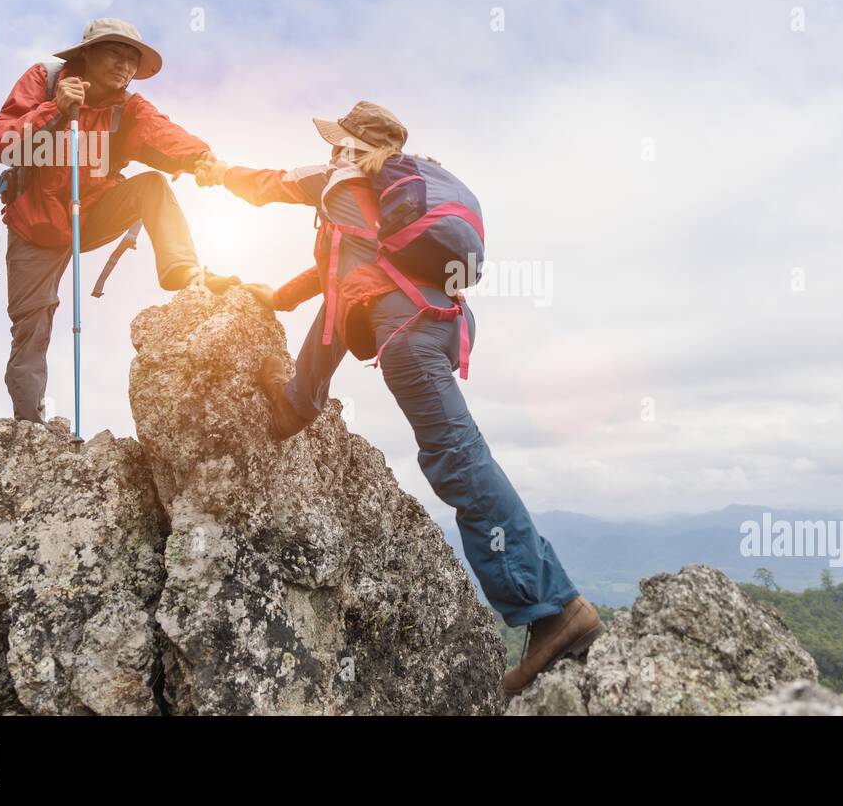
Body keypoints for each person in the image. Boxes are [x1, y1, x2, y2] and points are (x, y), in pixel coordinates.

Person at [194, 101, 603, 695]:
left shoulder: (341, 177)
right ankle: (297, 402)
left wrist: (212, 169)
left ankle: (552, 610)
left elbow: (266, 186)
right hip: (435, 320)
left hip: (407, 333)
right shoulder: (388, 196)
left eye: (338, 143)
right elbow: (342, 273)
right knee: (460, 456)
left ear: (351, 146)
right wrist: (277, 301)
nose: (332, 152)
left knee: (458, 460)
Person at [0, 18, 239, 422]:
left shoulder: (128, 108)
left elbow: (163, 135)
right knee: (31, 327)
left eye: (132, 60)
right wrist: (55, 109)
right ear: (88, 53)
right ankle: (29, 428)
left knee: (151, 186)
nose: (125, 66)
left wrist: (201, 158)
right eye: (115, 53)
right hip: (33, 227)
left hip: (93, 213)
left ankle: (184, 273)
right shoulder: (45, 81)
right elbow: (1, 140)